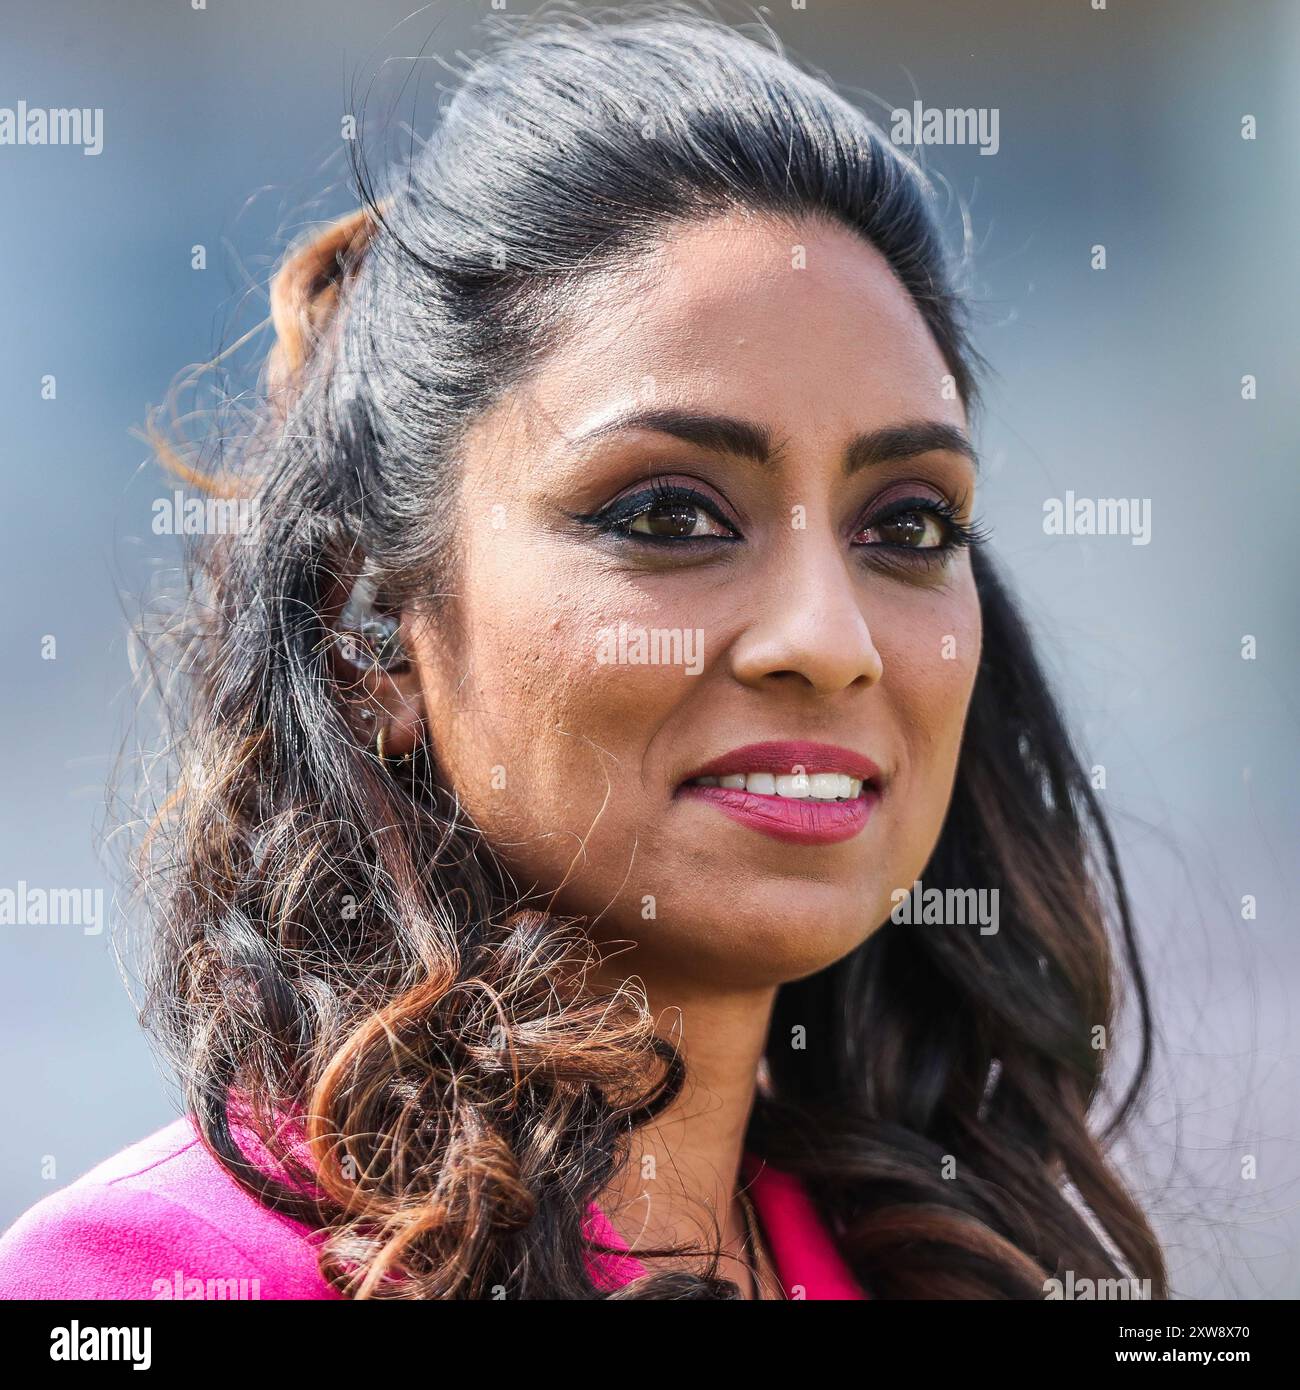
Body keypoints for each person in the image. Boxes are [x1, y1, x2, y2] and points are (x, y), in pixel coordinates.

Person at [0, 5, 1166, 1300]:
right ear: (371, 633)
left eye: (907, 526)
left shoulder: (949, 1267)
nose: (829, 641)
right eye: (669, 515)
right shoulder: (146, 1279)